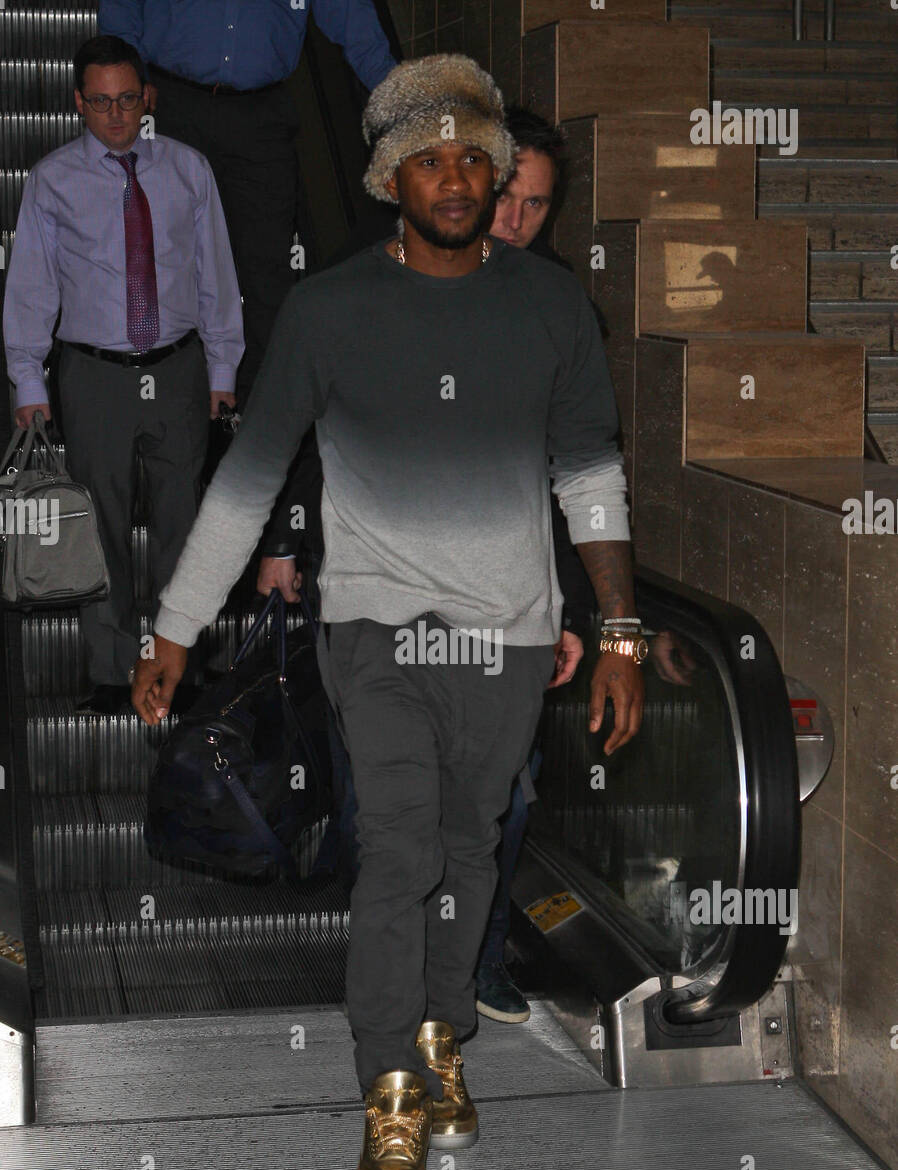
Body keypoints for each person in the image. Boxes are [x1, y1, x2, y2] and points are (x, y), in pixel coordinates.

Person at [131, 55, 645, 1170]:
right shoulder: (328, 309)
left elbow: (593, 475)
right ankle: (389, 1091)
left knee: (471, 852)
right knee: (403, 845)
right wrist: (173, 628)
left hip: (509, 635)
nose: (456, 178)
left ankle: (440, 1029)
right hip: (376, 628)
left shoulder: (550, 303)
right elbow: (248, 480)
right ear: (389, 179)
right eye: (430, 159)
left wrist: (618, 631)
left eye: (475, 157)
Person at [257, 106, 598, 1017]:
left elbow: (571, 480)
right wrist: (287, 538)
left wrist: (580, 613)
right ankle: (399, 982)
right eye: (509, 196)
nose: (517, 219)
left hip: (504, 610)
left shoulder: (551, 299)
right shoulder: (367, 291)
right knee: (395, 811)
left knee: (496, 805)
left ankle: (466, 969)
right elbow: (302, 430)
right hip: (378, 595)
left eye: (537, 204)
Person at [2, 35, 243, 714]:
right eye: (100, 102)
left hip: (177, 368)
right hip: (93, 373)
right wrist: (29, 383)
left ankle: (181, 661)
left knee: (184, 522)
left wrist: (222, 368)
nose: (115, 115)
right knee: (99, 525)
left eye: (127, 100)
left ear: (148, 98)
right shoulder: (52, 179)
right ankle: (112, 672)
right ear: (79, 102)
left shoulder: (189, 171)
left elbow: (217, 277)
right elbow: (30, 289)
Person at [98, 0, 396, 405]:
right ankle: (166, 404)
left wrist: (402, 105)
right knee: (166, 262)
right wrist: (128, 77)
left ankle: (258, 413)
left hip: (262, 115)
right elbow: (122, 10)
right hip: (171, 107)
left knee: (268, 272)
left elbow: (354, 21)